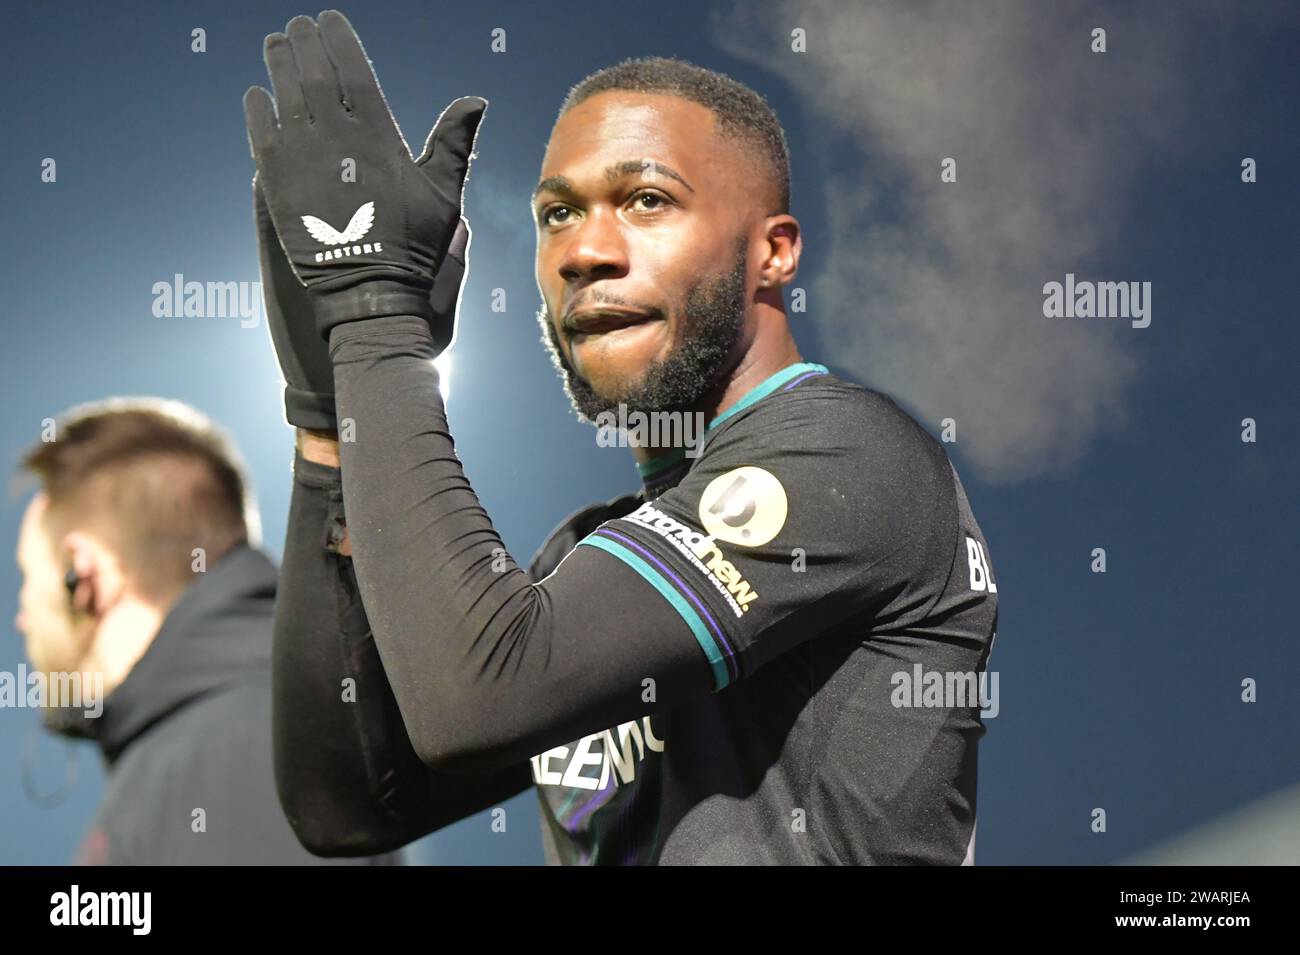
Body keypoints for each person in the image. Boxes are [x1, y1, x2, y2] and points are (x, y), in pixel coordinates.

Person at [249, 11, 998, 864]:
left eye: (647, 200)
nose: (586, 250)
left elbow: (480, 691)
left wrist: (375, 313)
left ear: (775, 252)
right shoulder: (581, 559)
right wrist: (328, 418)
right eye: (558, 213)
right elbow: (347, 806)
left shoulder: (852, 455)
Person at [13, 397, 397, 865]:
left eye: (28, 580)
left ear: (83, 572)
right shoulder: (260, 727)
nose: (22, 620)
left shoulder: (218, 758)